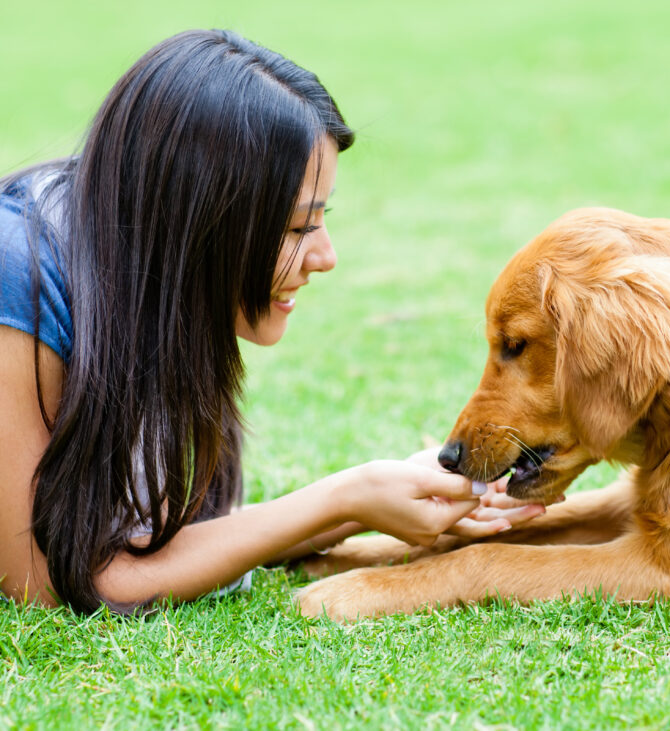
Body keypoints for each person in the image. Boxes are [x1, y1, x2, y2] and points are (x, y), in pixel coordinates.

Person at [0, 29, 543, 614]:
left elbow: (158, 546)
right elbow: (43, 584)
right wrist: (344, 497)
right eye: (296, 227)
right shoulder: (19, 274)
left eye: (321, 219)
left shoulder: (138, 277)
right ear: (200, 222)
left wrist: (375, 499)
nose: (326, 256)